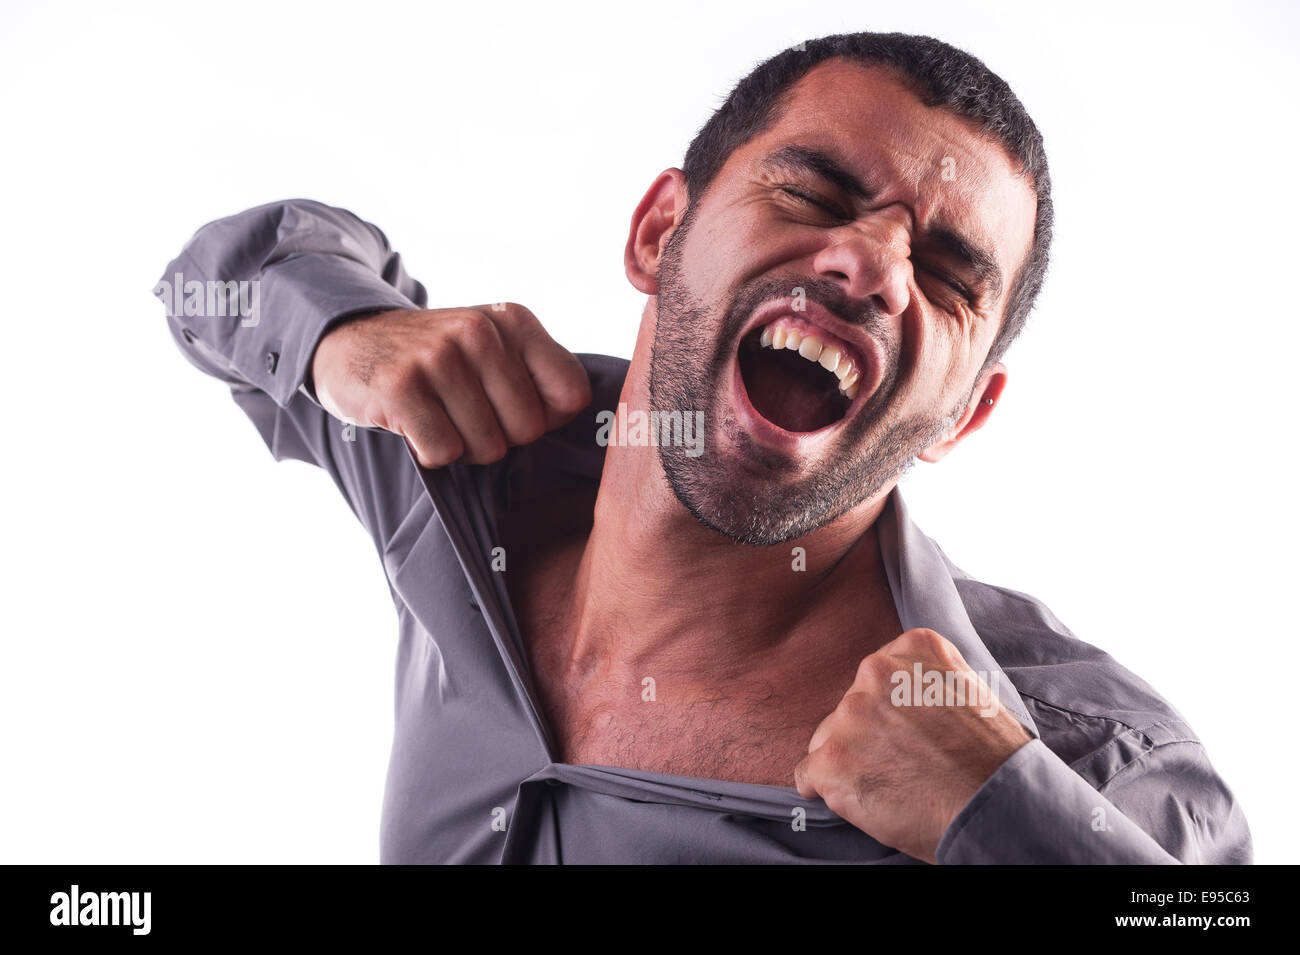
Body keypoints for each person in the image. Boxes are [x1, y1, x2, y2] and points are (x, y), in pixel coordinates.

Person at [155, 31, 1251, 864]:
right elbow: (206, 286)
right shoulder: (460, 471)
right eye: (814, 191)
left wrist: (1009, 821)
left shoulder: (1092, 757)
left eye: (952, 278)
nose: (869, 267)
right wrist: (345, 329)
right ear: (657, 232)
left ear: (960, 415)